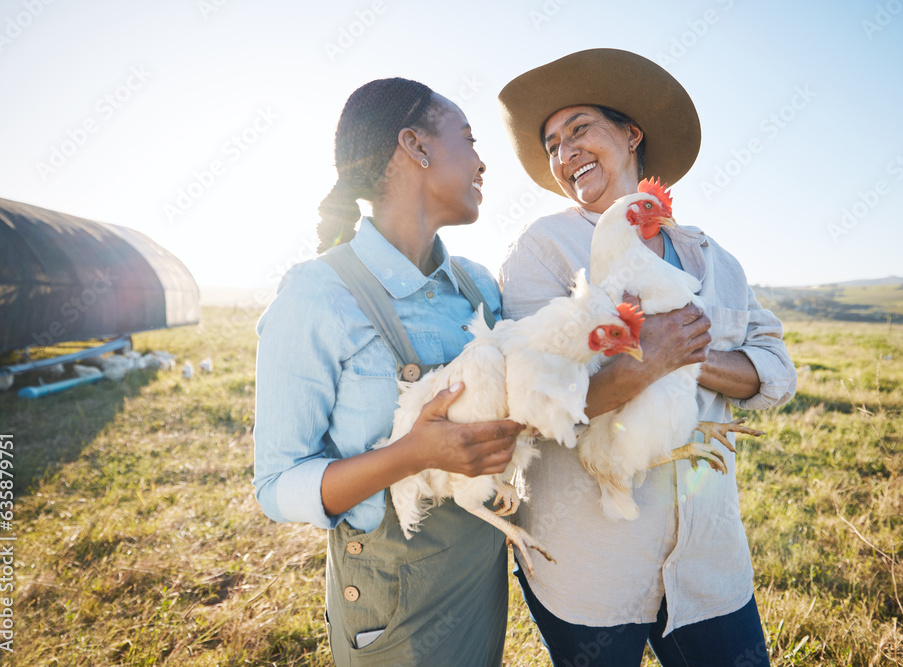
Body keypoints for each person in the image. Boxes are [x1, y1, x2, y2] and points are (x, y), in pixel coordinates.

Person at [497, 49, 797, 666]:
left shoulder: (713, 259)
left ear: (631, 135)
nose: (564, 153)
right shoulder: (544, 250)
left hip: (706, 559)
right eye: (553, 143)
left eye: (579, 129)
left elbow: (774, 371)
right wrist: (647, 361)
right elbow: (537, 403)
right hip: (591, 560)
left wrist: (686, 356)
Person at [253, 77, 524, 666]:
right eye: (470, 139)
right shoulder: (316, 296)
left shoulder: (480, 288)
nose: (483, 162)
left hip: (480, 574)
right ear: (415, 146)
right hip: (393, 602)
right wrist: (414, 453)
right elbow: (276, 486)